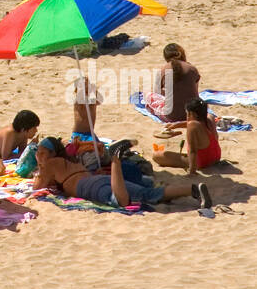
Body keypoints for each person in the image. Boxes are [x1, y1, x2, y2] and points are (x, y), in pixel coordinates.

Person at [34, 137, 210, 210]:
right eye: (37, 153)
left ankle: (115, 159)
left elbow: (37, 187)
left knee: (120, 201)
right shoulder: (70, 160)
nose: (38, 156)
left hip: (86, 186)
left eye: (42, 152)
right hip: (99, 179)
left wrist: (40, 169)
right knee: (149, 194)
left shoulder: (50, 164)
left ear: (52, 153)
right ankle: (193, 189)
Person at [151, 99, 222, 174]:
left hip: (202, 162)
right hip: (216, 157)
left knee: (157, 155)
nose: (187, 117)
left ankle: (191, 167)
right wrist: (176, 125)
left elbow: (193, 151)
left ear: (192, 114)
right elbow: (198, 123)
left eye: (187, 114)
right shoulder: (210, 118)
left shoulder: (192, 126)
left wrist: (192, 171)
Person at [155, 45, 201, 124]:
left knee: (148, 95)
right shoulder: (192, 68)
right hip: (194, 114)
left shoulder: (163, 70)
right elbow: (195, 90)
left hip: (172, 116)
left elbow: (157, 93)